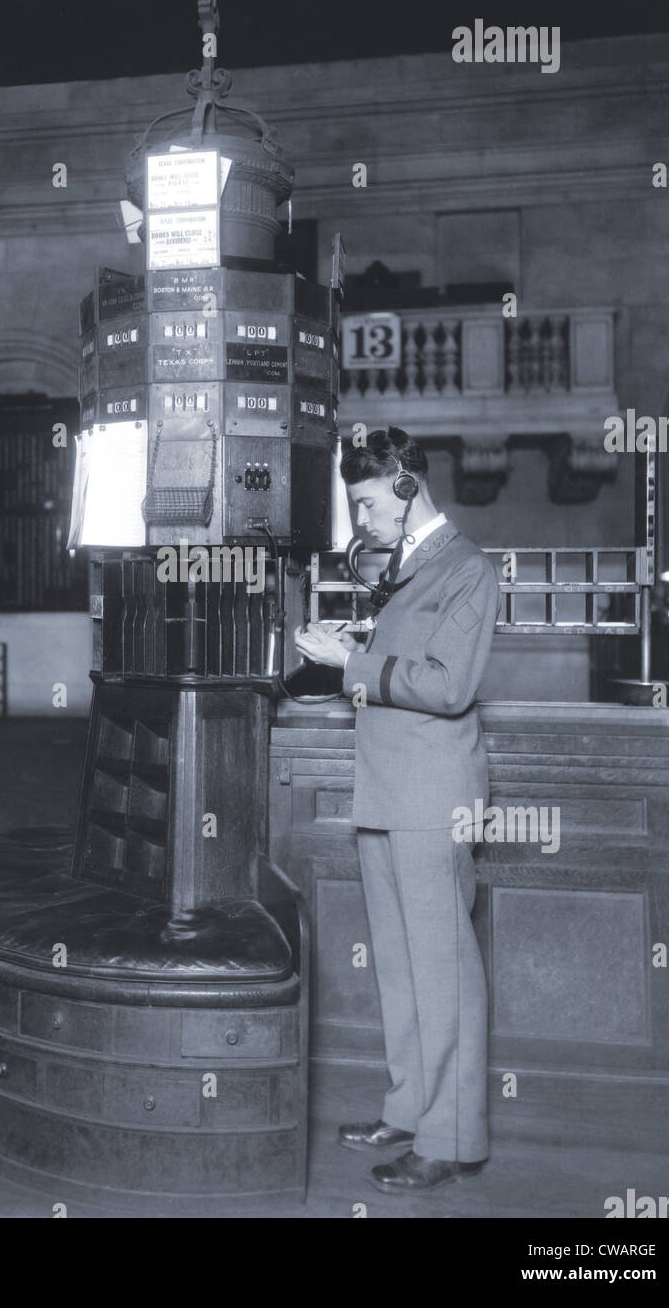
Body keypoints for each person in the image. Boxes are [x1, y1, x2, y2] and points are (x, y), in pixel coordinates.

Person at [294, 427, 500, 1194]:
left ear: (408, 489)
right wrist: (355, 647)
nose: (362, 523)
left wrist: (355, 661)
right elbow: (402, 667)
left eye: (369, 504)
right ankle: (410, 1109)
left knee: (443, 969)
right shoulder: (410, 570)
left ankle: (452, 1138)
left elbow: (449, 687)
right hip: (388, 791)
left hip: (430, 797)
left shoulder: (467, 569)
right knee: (404, 970)